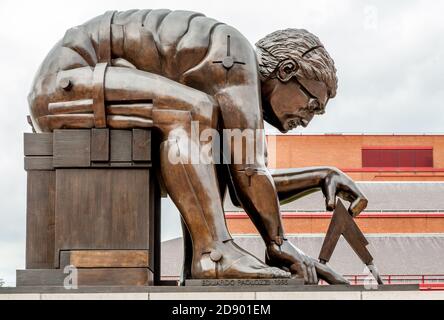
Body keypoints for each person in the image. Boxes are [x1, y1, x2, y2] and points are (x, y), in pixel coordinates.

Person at [28, 9, 368, 284]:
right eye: (311, 105)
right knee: (193, 111)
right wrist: (279, 245)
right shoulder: (235, 55)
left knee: (213, 142)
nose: (307, 120)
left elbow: (242, 180)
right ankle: (214, 256)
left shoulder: (227, 73)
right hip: (65, 83)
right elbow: (251, 172)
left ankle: (205, 259)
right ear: (286, 70)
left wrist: (320, 176)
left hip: (87, 86)